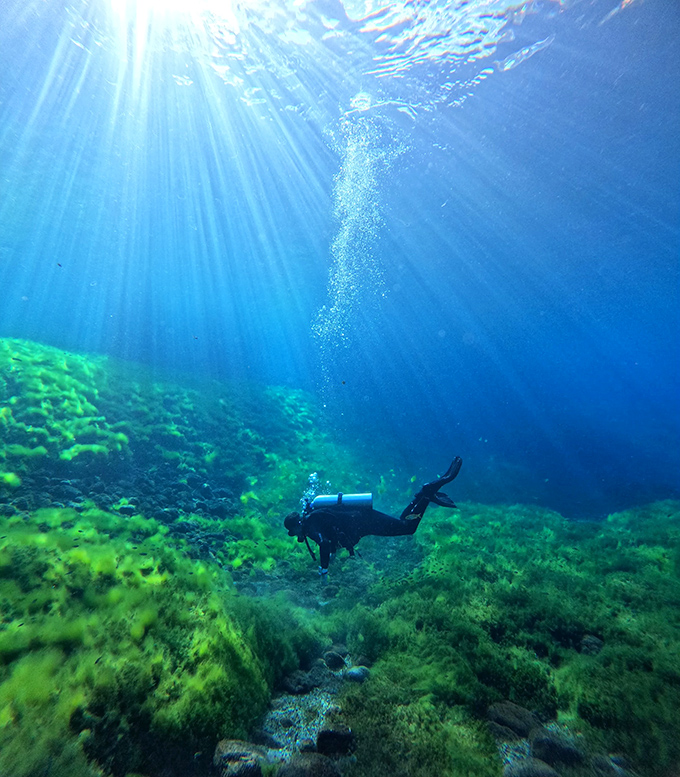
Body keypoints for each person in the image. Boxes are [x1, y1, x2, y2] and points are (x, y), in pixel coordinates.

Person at [284, 457, 462, 578]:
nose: (296, 536)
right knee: (403, 523)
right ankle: (423, 495)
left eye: (293, 532)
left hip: (363, 521)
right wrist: (332, 556)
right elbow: (331, 539)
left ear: (297, 525)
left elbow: (323, 542)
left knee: (408, 528)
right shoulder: (313, 520)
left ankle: (427, 493)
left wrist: (324, 570)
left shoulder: (310, 525)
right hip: (362, 519)